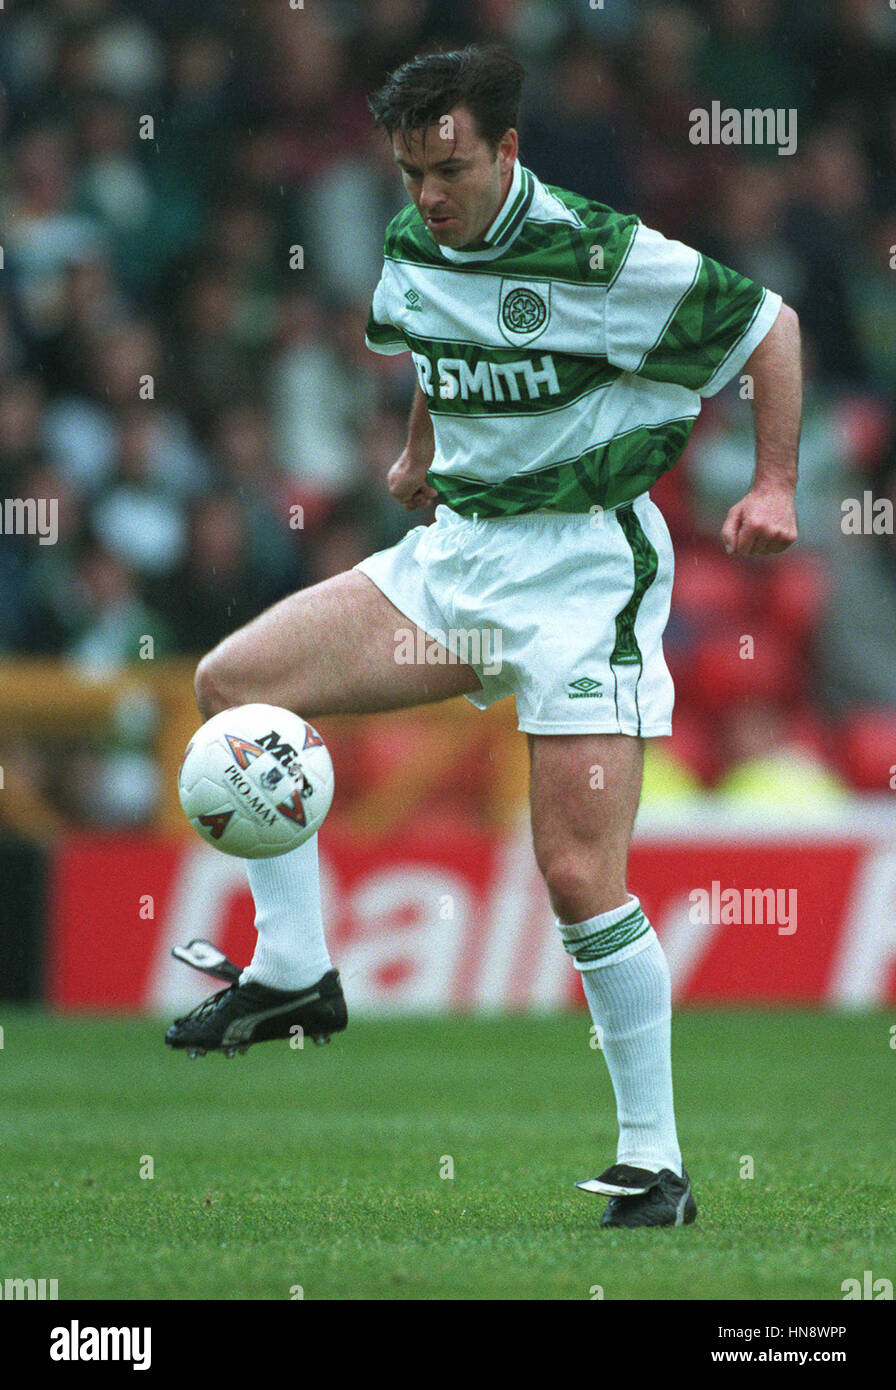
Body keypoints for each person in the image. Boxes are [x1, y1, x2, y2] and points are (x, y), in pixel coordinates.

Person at [166, 46, 800, 1229]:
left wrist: (772, 485)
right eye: (409, 172)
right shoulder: (416, 243)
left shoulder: (604, 255)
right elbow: (429, 340)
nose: (427, 196)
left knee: (574, 877)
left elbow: (772, 328)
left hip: (579, 573)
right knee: (233, 683)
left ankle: (654, 1162)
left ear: (507, 150)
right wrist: (418, 447)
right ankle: (297, 969)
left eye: (448, 167)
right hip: (456, 559)